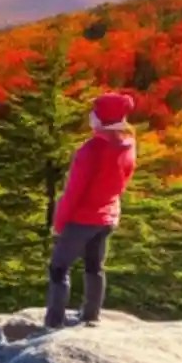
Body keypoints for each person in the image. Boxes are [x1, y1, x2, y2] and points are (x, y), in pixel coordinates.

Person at [45, 92, 137, 328]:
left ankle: (54, 323)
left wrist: (59, 223)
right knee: (95, 266)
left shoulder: (91, 150)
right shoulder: (128, 145)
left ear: (102, 118)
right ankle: (90, 315)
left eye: (95, 112)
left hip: (82, 218)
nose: (91, 115)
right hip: (108, 217)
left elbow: (73, 192)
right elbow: (123, 181)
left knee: (58, 268)